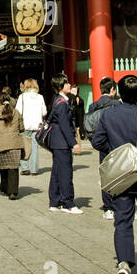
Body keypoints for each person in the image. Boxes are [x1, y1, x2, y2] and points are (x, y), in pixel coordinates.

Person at [92, 75, 137, 274]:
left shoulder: (108, 115)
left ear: (119, 92)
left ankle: (124, 262)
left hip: (121, 175)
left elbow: (97, 141)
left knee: (123, 220)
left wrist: (115, 154)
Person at [85, 78, 122, 219]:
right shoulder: (117, 104)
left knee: (105, 174)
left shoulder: (93, 105)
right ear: (112, 89)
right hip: (116, 142)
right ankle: (119, 203)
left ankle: (108, 207)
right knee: (119, 173)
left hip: (102, 144)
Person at [45, 76, 82, 214]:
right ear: (60, 86)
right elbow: (65, 125)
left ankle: (55, 201)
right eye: (66, 83)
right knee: (65, 173)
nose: (69, 85)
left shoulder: (58, 100)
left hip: (57, 141)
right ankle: (68, 203)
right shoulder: (61, 103)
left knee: (56, 172)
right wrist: (74, 143)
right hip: (61, 142)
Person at [0, 92, 26, 199]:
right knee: (13, 168)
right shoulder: (16, 112)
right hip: (14, 143)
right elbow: (21, 127)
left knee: (3, 167)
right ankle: (13, 191)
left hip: (0, 144)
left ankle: (5, 187)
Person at [16, 78, 47, 176]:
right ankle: (34, 169)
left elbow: (18, 111)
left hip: (25, 124)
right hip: (37, 125)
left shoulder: (22, 97)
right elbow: (44, 112)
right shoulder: (40, 97)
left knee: (24, 145)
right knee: (34, 147)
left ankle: (25, 168)